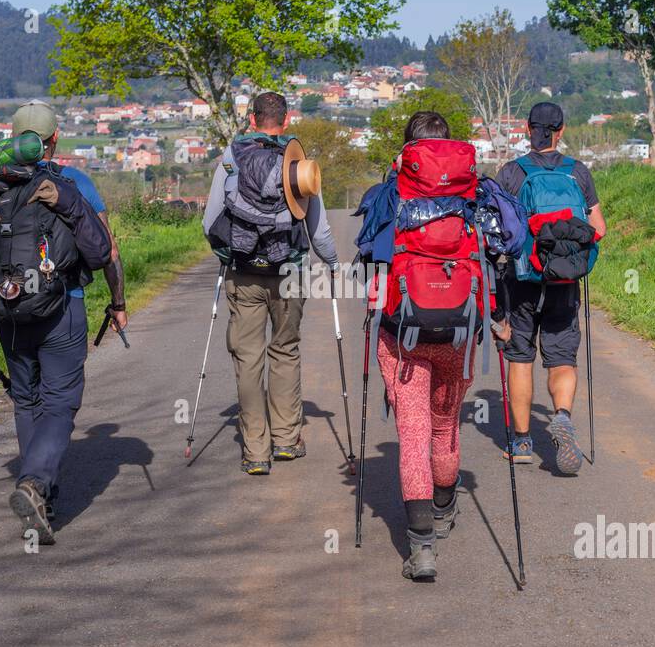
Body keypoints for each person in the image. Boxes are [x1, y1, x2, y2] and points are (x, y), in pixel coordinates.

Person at [0, 100, 128, 542]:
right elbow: (107, 250)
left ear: (16, 139)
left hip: (7, 310)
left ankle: (41, 495)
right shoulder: (75, 184)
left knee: (26, 399)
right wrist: (117, 301)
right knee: (59, 400)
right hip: (63, 306)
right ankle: (35, 484)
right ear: (54, 139)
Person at [363, 111, 499, 581]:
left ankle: (421, 549)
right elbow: (507, 245)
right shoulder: (476, 192)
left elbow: (371, 260)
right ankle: (443, 507)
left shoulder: (390, 193)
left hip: (402, 333)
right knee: (446, 428)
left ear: (408, 151)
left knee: (414, 434)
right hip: (461, 330)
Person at [202, 91, 338, 475]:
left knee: (248, 358)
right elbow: (319, 228)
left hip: (244, 271)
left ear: (252, 120)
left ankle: (256, 451)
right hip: (289, 270)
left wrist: (226, 254)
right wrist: (331, 263)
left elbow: (210, 219)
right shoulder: (299, 165)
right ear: (287, 120)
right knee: (285, 350)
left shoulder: (232, 158)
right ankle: (286, 440)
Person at [491, 102, 605, 474]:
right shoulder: (578, 172)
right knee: (562, 357)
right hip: (564, 280)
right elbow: (598, 228)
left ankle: (522, 441)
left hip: (522, 281)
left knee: (520, 357)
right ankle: (562, 415)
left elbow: (497, 234)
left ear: (527, 129)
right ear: (562, 130)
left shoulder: (511, 173)